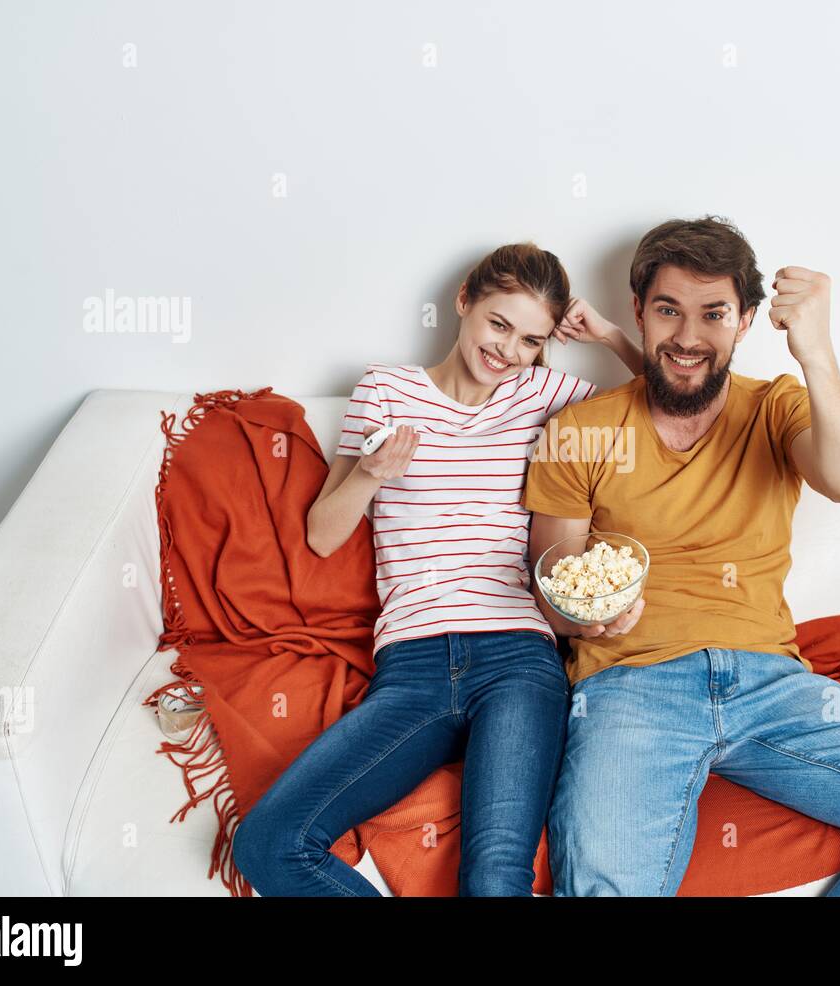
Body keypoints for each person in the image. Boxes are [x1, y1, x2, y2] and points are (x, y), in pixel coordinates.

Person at [522, 216, 840, 896]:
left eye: (714, 313)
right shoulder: (581, 429)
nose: (689, 336)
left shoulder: (776, 408)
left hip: (772, 685)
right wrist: (587, 619)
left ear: (746, 320)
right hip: (630, 687)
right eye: (669, 310)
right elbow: (555, 582)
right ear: (638, 311)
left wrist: (815, 351)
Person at [232, 242, 643, 896]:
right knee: (268, 842)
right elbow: (320, 533)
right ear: (464, 303)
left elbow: (675, 402)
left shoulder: (545, 393)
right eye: (499, 324)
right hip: (413, 665)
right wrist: (369, 475)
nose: (508, 351)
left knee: (493, 878)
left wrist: (612, 335)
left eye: (531, 339)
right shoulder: (386, 391)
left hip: (518, 658)